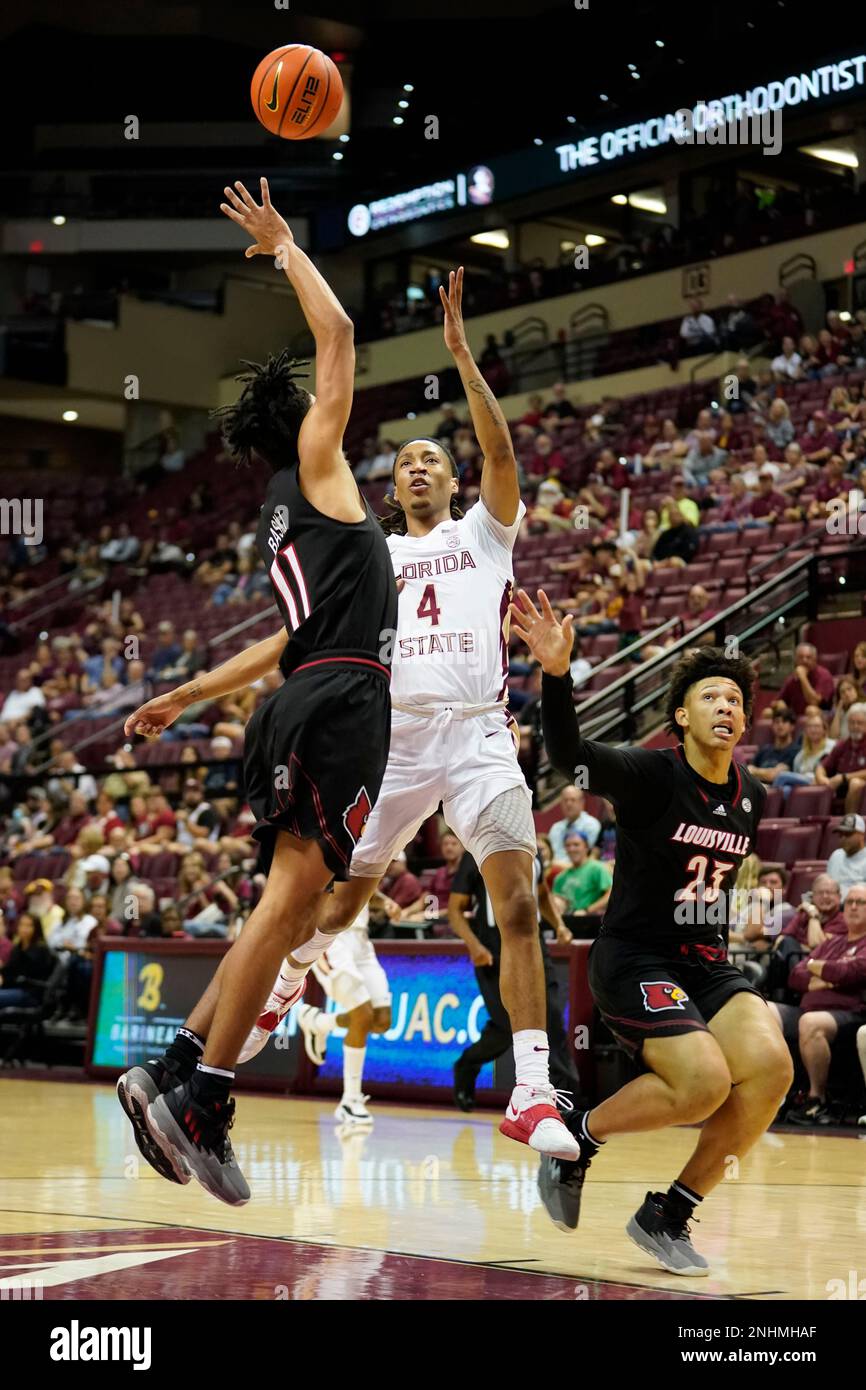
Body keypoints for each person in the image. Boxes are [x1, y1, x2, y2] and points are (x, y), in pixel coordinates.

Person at [239, 268, 580, 1164]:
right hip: (387, 743)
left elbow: (504, 457)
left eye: (431, 457)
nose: (417, 466)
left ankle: (534, 1091)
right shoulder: (374, 551)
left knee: (514, 902)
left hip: (475, 734)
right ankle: (288, 980)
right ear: (394, 489)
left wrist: (462, 355)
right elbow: (296, 636)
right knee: (337, 902)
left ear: (454, 477)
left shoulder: (483, 535)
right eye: (404, 464)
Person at [115, 176, 397, 1206]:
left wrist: (189, 691)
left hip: (299, 692)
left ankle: (176, 1066)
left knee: (286, 904)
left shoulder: (283, 512)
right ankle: (207, 1100)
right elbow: (341, 341)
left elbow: (280, 641)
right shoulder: (322, 464)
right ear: (307, 425)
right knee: (291, 903)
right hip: (341, 701)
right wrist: (286, 249)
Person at [510, 588, 792, 1275]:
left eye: (735, 700)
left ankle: (669, 1213)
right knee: (701, 1084)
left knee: (771, 1070)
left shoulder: (751, 796)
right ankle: (579, 1134)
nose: (727, 706)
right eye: (711, 697)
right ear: (680, 716)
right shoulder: (648, 774)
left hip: (706, 961)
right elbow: (568, 755)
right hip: (634, 958)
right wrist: (556, 674)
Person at [449, 848, 584, 1111]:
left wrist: (559, 925)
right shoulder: (475, 851)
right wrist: (474, 945)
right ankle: (468, 1064)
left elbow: (542, 892)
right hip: (493, 950)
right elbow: (455, 910)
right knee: (506, 1026)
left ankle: (567, 1102)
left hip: (533, 947)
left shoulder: (534, 850)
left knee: (552, 1020)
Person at [769, 884, 866, 1125]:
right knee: (763, 1010)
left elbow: (852, 972)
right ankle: (773, 1092)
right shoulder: (833, 943)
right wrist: (825, 978)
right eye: (850, 902)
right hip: (808, 1008)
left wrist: (818, 967)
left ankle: (816, 1098)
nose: (853, 907)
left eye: (860, 902)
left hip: (849, 1012)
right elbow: (796, 975)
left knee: (811, 1022)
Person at [292, 901, 393, 1128]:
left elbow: (366, 880)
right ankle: (350, 1100)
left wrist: (386, 902)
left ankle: (319, 1022)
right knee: (362, 1016)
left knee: (381, 1021)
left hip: (361, 939)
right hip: (332, 936)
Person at [816, 703, 866, 813]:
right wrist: (821, 777)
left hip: (859, 784)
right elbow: (823, 765)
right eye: (852, 723)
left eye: (860, 723)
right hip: (840, 785)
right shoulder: (842, 745)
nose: (855, 726)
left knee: (855, 783)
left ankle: (850, 822)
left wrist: (844, 777)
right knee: (816, 782)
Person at [0, 913, 56, 1010]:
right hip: (16, 988)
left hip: (31, 993)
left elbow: (26, 976)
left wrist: (5, 980)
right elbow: (9, 970)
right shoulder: (18, 947)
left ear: (36, 929)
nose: (24, 929)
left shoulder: (41, 949)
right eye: (21, 925)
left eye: (28, 925)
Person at [773, 710, 835, 798]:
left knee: (782, 776)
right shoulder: (801, 754)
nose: (813, 730)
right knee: (786, 790)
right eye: (810, 727)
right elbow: (796, 773)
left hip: (819, 783)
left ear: (824, 729)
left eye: (817, 726)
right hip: (802, 787)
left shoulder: (832, 746)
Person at [551, 832, 612, 916]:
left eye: (576, 845)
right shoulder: (561, 877)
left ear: (586, 847)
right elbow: (555, 900)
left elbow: (610, 894)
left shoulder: (597, 868)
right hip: (567, 920)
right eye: (568, 845)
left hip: (590, 921)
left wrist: (587, 910)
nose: (572, 849)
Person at [778, 643, 836, 715]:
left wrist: (803, 678)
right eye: (800, 657)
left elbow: (814, 702)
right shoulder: (792, 678)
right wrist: (779, 705)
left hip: (822, 716)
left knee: (811, 710)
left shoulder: (824, 675)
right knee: (769, 712)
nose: (804, 660)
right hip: (796, 717)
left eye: (808, 657)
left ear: (815, 659)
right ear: (796, 660)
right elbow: (779, 700)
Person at [746, 706, 799, 784]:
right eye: (777, 722)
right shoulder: (765, 749)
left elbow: (774, 776)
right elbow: (748, 771)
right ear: (772, 726)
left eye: (784, 721)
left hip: (776, 791)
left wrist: (755, 771)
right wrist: (766, 773)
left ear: (792, 726)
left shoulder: (795, 750)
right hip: (757, 789)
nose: (780, 725)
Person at [548, 784, 602, 859]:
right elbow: (552, 854)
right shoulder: (556, 828)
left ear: (582, 802)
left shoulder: (592, 824)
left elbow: (584, 856)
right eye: (565, 800)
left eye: (573, 800)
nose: (568, 804)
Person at [825, 814, 866, 902]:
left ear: (862, 835)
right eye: (840, 835)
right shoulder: (836, 856)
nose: (843, 839)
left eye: (848, 834)